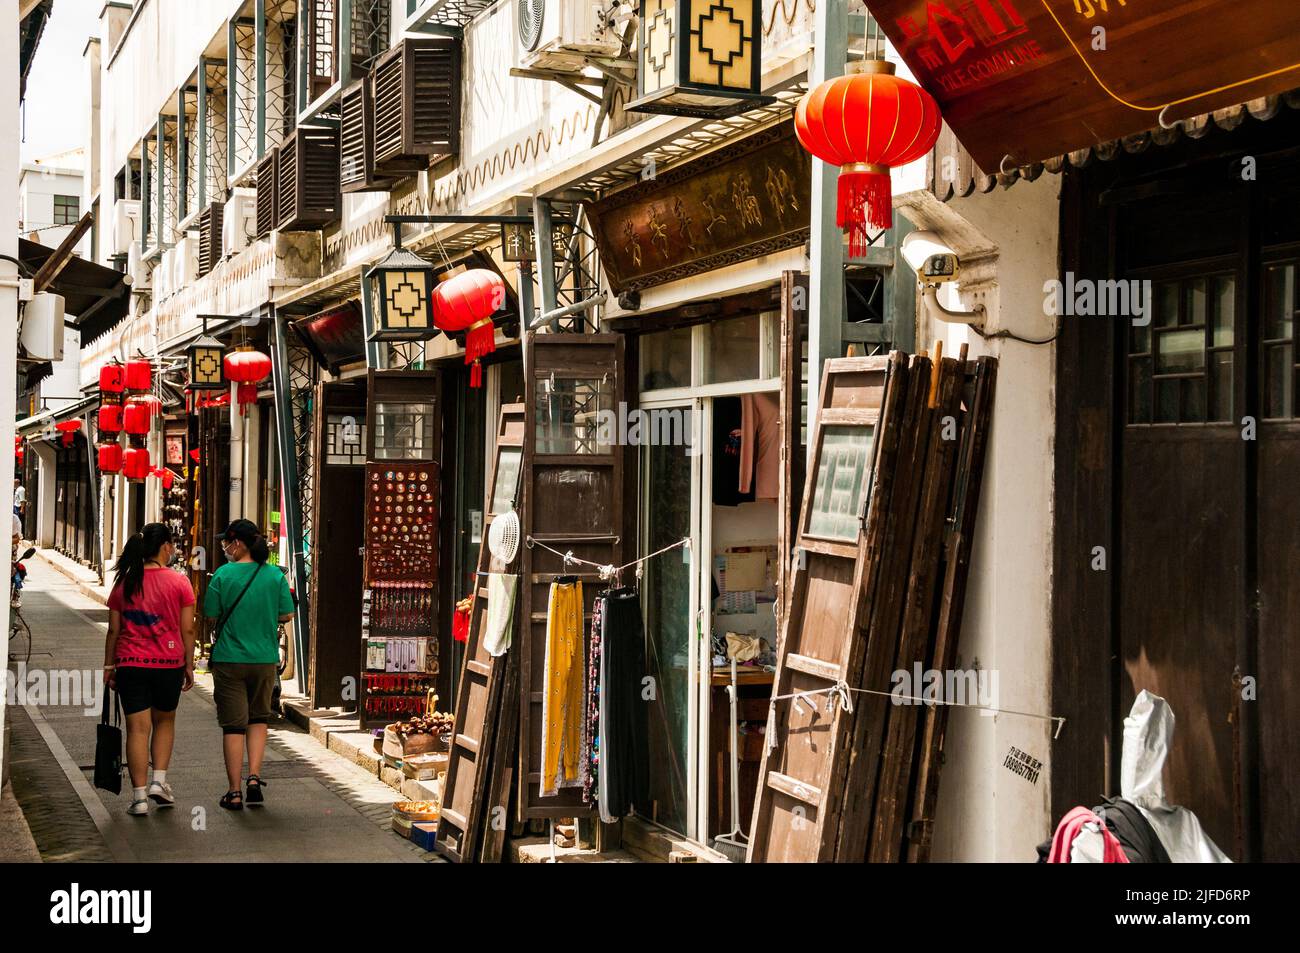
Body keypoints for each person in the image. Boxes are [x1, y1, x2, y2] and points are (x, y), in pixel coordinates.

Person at [103, 524, 197, 816]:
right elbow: (188, 629)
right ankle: (159, 781)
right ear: (166, 547)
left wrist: (108, 666)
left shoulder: (124, 584)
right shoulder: (180, 583)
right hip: (169, 664)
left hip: (130, 664)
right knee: (165, 722)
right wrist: (190, 664)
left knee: (137, 730)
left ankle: (140, 797)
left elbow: (113, 631)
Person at [204, 519, 293, 810]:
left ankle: (234, 791)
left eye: (227, 542)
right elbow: (286, 616)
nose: (225, 548)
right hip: (264, 659)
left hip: (230, 659)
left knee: (233, 726)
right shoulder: (275, 576)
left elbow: (211, 614)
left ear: (238, 543)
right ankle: (254, 778)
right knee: (258, 719)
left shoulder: (222, 575)